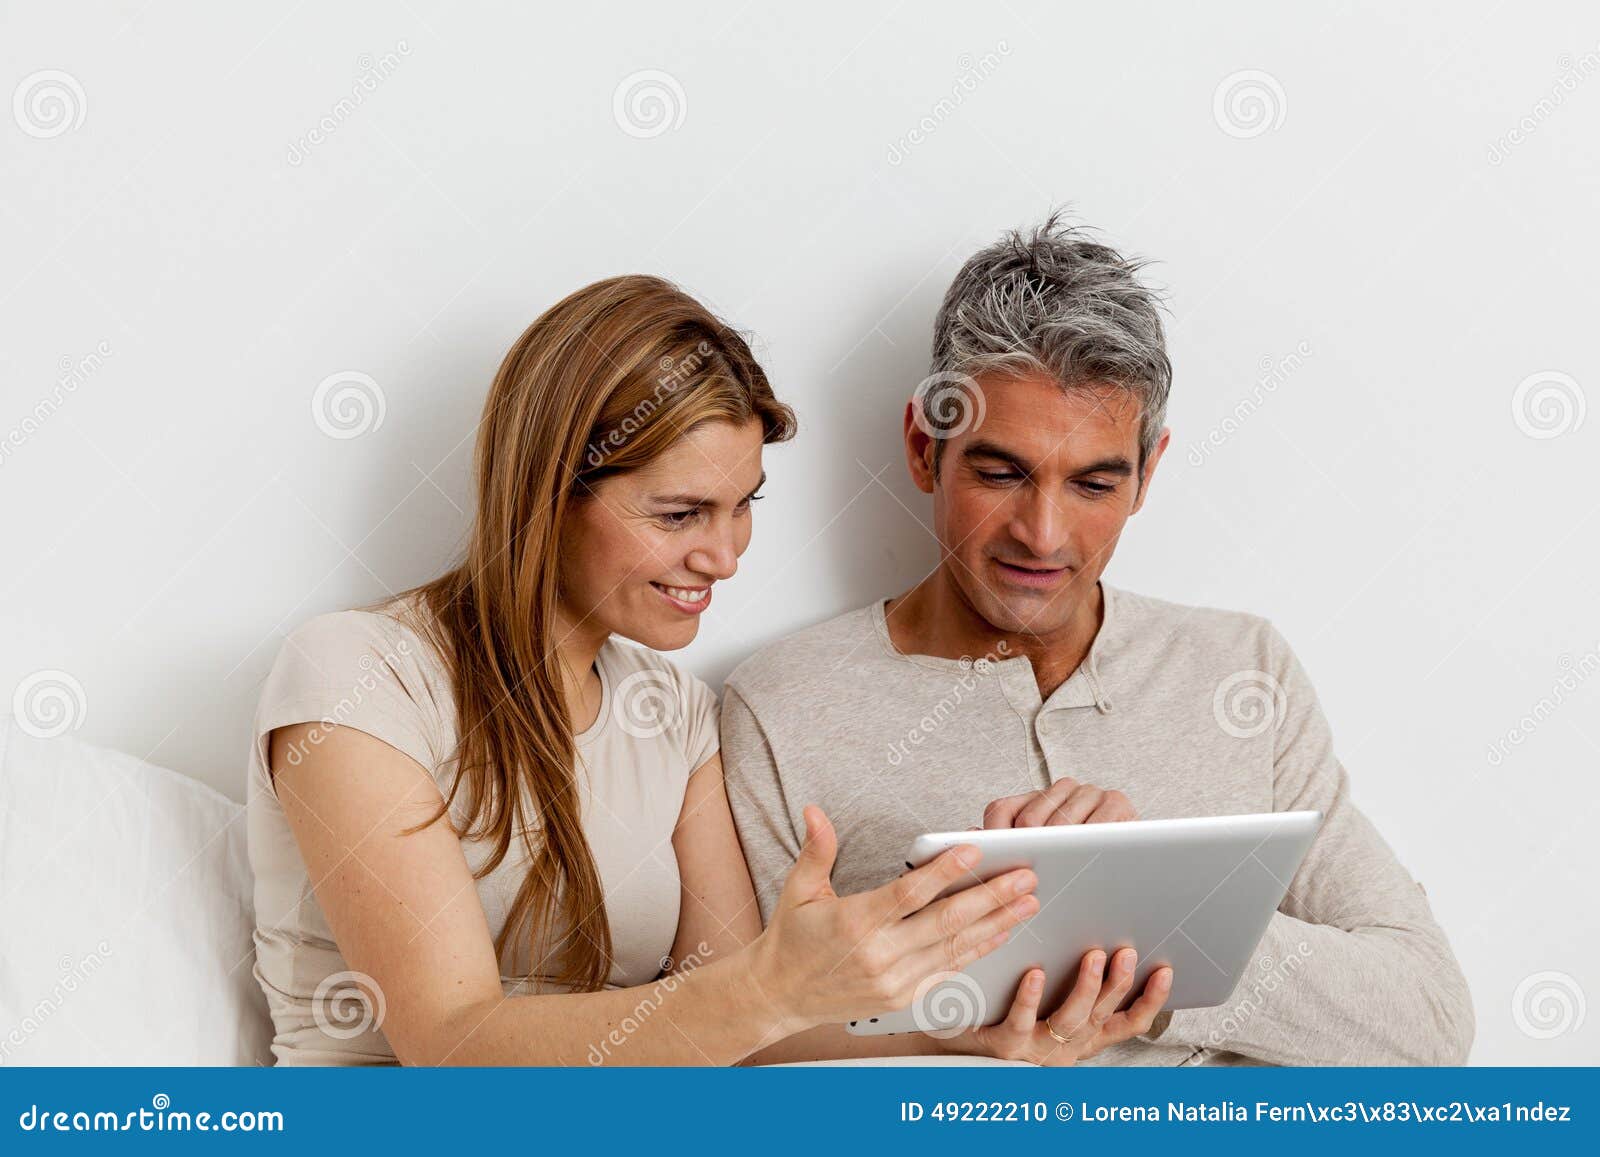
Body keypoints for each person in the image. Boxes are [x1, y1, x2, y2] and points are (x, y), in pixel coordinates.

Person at [246, 273, 1169, 1066]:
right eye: (681, 514)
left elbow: (745, 1029)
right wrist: (768, 986)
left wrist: (968, 1019)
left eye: (743, 505)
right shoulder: (360, 678)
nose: (724, 556)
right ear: (546, 494)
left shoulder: (675, 715)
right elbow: (451, 1045)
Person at [722, 213, 1476, 1066]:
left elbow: (1428, 1021)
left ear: (1148, 473)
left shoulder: (1243, 672)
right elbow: (734, 1051)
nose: (1042, 536)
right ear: (923, 447)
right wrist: (960, 984)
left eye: (1093, 482)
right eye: (1001, 472)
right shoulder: (783, 707)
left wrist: (1152, 921)